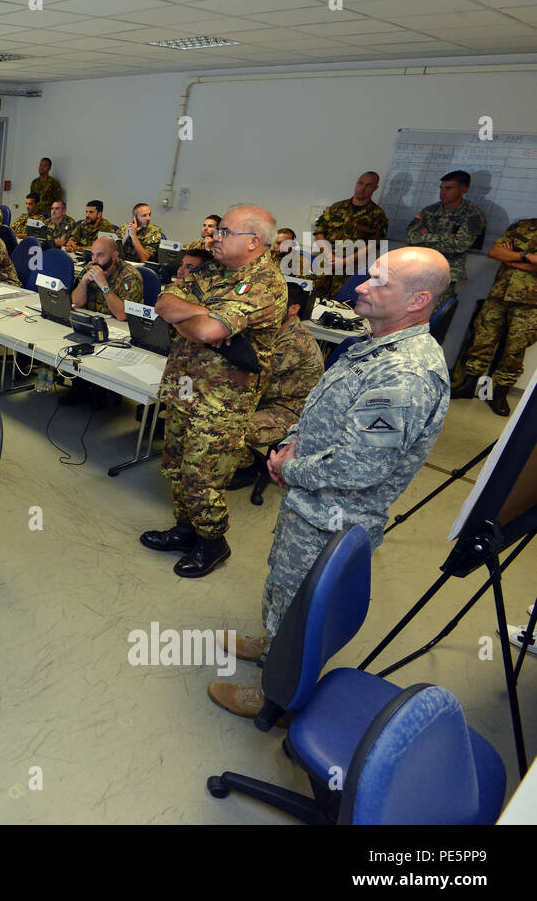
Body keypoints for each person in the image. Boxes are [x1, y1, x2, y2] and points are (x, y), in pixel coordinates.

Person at [208, 247, 451, 719]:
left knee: (306, 612)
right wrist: (291, 443)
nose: (360, 285)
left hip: (333, 516)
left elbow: (360, 468)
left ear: (418, 300)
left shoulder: (405, 373)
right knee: (286, 588)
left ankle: (275, 697)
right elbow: (323, 409)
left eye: (379, 281)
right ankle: (271, 644)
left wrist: (286, 468)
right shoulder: (374, 343)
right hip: (311, 501)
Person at [140, 205, 287, 577]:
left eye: (225, 233)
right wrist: (202, 316)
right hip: (185, 385)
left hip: (222, 400)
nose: (214, 238)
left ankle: (212, 541)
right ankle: (187, 529)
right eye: (217, 231)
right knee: (175, 464)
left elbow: (206, 332)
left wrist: (192, 321)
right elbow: (162, 302)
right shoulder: (211, 269)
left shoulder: (265, 284)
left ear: (254, 242)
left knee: (202, 474)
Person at [229, 280, 324, 491]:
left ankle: (250, 467)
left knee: (230, 428)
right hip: (266, 397)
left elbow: (255, 378)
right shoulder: (273, 330)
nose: (266, 309)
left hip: (290, 410)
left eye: (276, 304)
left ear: (293, 309)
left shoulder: (295, 342)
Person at [452, 218, 537, 417]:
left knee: (514, 352)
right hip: (499, 295)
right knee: (482, 342)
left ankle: (498, 394)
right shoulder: (522, 226)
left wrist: (510, 259)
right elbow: (495, 252)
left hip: (531, 304)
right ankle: (468, 385)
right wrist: (526, 256)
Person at [404, 169, 487, 301]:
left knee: (433, 315)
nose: (443, 192)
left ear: (463, 190)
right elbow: (411, 238)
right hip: (419, 269)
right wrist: (445, 237)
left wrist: (425, 238)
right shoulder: (430, 210)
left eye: (448, 188)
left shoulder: (473, 215)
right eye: (441, 188)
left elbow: (459, 245)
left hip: (445, 273)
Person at [312, 171, 389, 289]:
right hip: (325, 263)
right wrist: (329, 255)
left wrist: (343, 261)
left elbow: (373, 245)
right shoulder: (337, 207)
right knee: (313, 298)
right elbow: (319, 232)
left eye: (368, 185)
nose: (362, 188)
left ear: (375, 188)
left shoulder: (377, 216)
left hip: (350, 269)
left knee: (342, 303)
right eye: (360, 183)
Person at [71, 233, 143, 321]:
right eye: (93, 254)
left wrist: (104, 286)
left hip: (118, 326)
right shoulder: (91, 267)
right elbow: (76, 303)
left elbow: (123, 315)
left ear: (114, 256)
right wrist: (83, 282)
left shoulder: (130, 275)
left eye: (100, 255)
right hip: (93, 320)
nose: (94, 260)